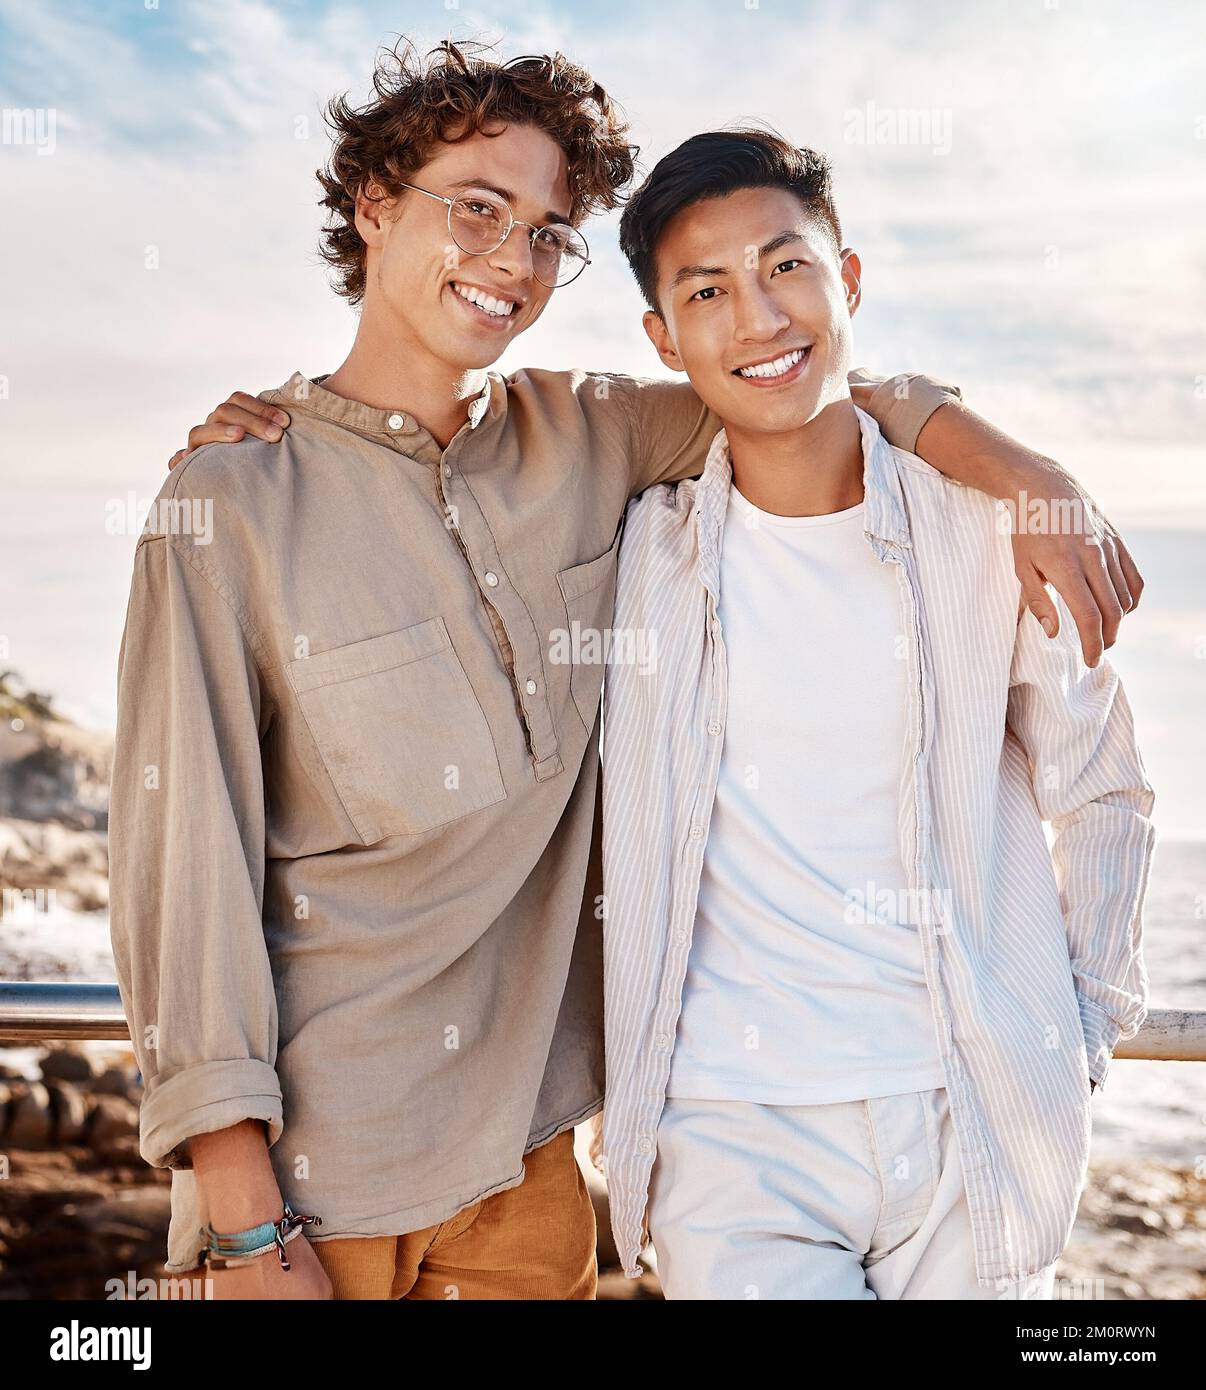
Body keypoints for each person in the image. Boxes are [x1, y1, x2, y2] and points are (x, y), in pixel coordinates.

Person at [111, 41, 1141, 1301]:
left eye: (549, 232)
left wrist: (1023, 471)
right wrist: (245, 1227)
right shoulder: (232, 501)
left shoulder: (589, 435)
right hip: (317, 1194)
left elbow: (793, 379)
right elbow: (183, 873)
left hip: (534, 1183)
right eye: (477, 209)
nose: (512, 259)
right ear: (373, 204)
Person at [598, 128, 1155, 1300]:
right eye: (707, 291)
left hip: (973, 1114)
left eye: (785, 266)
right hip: (736, 1135)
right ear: (663, 338)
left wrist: (1082, 1033)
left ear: (846, 281)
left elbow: (1102, 790)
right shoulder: (635, 553)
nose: (758, 318)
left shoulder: (991, 533)